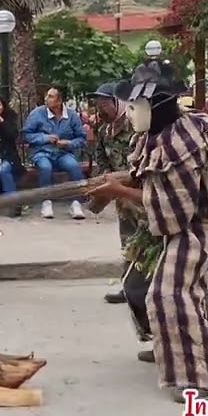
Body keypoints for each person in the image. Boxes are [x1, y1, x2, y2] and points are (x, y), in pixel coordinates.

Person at [87, 61, 208, 402]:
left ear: (155, 106)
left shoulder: (183, 142)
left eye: (134, 106)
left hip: (196, 226)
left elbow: (172, 206)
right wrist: (114, 179)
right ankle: (170, 348)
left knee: (172, 294)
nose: (128, 112)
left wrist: (115, 192)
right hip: (174, 220)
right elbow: (145, 172)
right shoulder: (155, 133)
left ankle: (204, 378)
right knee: (137, 284)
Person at [89, 81, 141, 305]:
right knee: (128, 245)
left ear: (118, 102)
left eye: (105, 103)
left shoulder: (136, 128)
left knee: (149, 244)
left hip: (142, 200)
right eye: (98, 103)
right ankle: (130, 290)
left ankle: (152, 290)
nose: (101, 108)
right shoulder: (104, 132)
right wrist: (104, 185)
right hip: (122, 201)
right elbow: (101, 163)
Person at [22, 85, 88, 220]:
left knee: (74, 167)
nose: (46, 99)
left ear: (59, 101)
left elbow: (81, 138)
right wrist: (44, 138)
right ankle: (46, 201)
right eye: (47, 96)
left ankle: (76, 203)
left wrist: (68, 143)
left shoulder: (71, 115)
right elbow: (26, 135)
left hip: (63, 153)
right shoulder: (37, 114)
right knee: (45, 167)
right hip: (41, 152)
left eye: (51, 96)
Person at [0, 95, 22, 210]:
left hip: (8, 156)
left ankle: (13, 203)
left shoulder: (10, 118)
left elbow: (13, 136)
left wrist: (1, 121)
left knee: (4, 169)